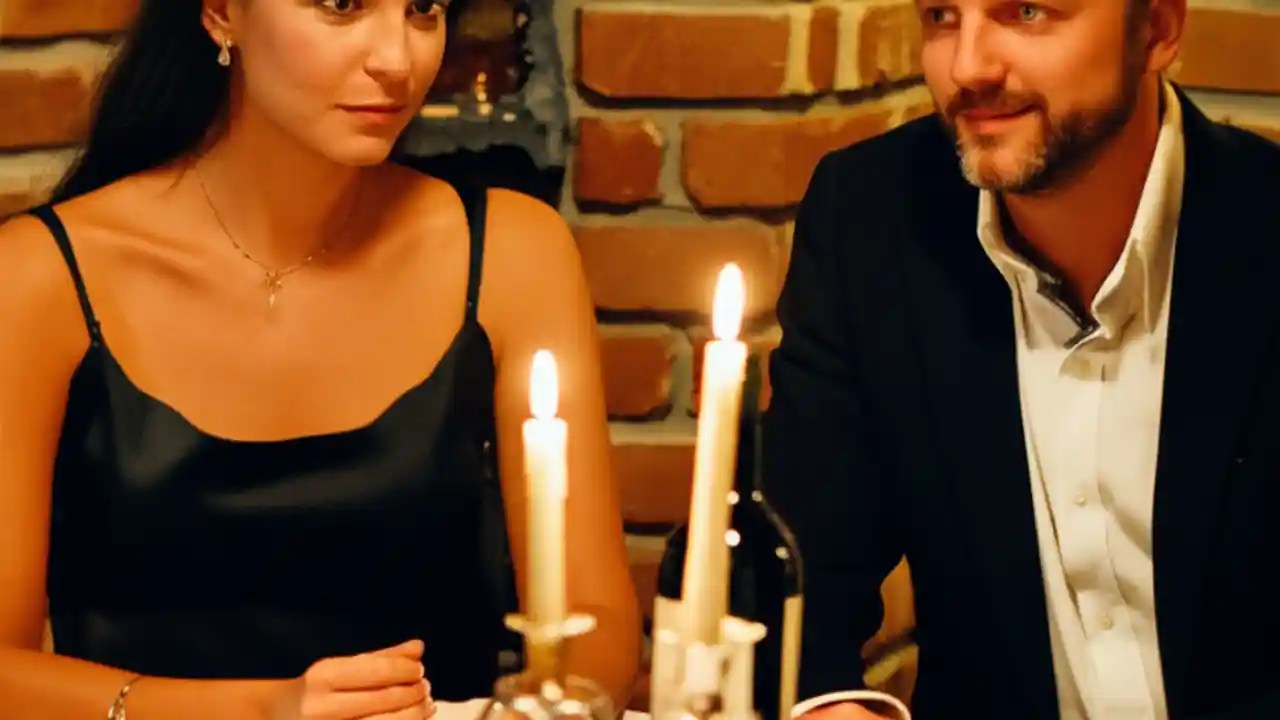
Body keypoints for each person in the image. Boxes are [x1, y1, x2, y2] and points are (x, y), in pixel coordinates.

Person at [0, 0, 641, 718]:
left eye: (423, 10)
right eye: (342, 5)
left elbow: (599, 631)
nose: (396, 59)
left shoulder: (513, 254)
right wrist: (262, 711)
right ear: (220, 13)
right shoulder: (39, 276)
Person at [762, 0, 1279, 718]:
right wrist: (827, 703)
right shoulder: (872, 220)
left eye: (1028, 12)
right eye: (942, 15)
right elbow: (790, 573)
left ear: (1157, 29)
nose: (968, 66)